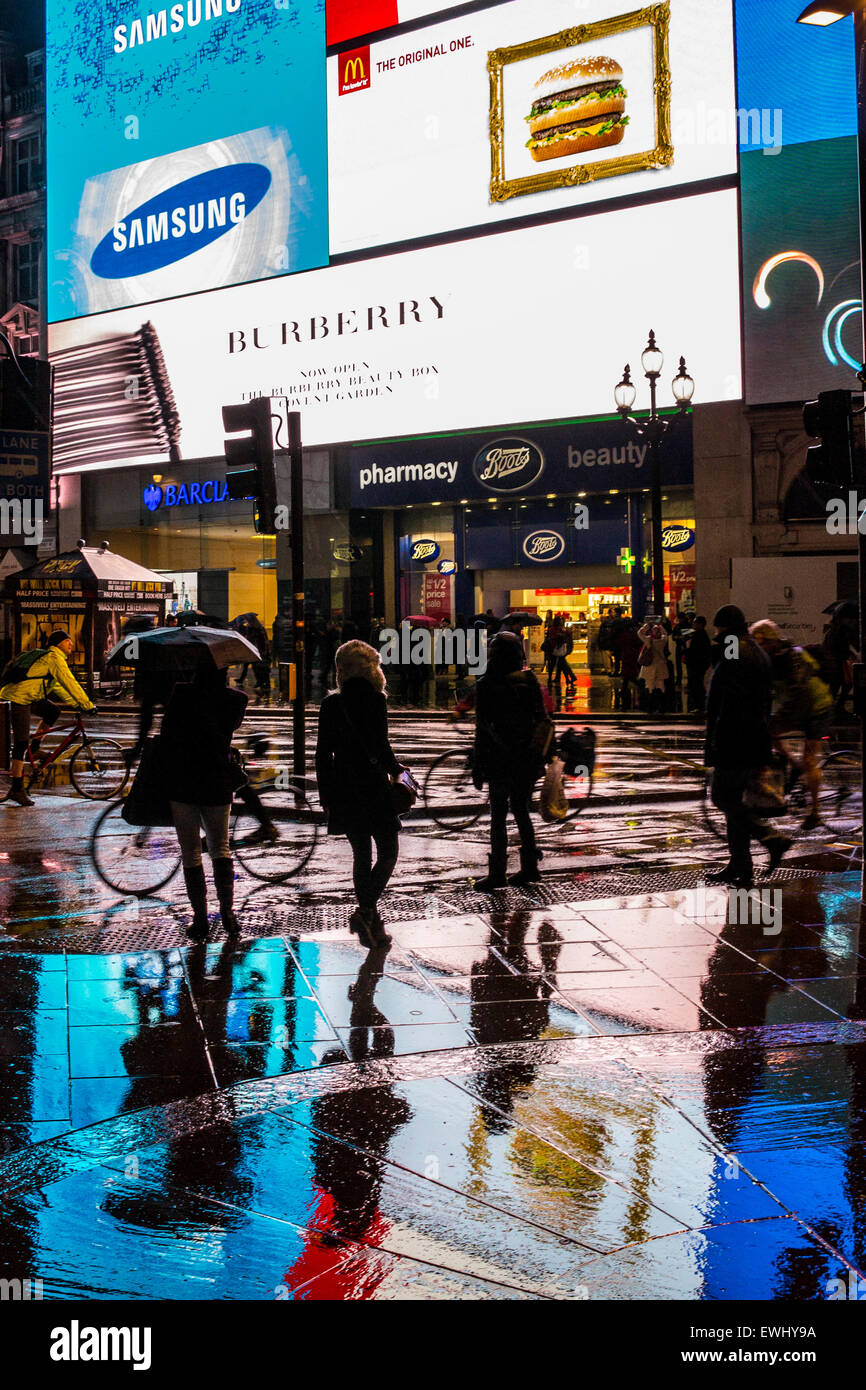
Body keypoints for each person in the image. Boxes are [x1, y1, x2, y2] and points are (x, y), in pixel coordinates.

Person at [315, 640, 402, 949]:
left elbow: (323, 755)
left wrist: (325, 797)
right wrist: (398, 771)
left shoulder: (331, 704)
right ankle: (366, 911)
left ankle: (368, 915)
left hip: (342, 789)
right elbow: (381, 746)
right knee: (388, 851)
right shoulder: (375, 700)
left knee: (362, 855)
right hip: (372, 786)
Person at [157, 664, 248, 939]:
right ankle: (228, 914)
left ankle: (200, 918)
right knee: (221, 847)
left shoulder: (181, 695)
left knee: (190, 851)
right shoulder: (236, 699)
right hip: (217, 780)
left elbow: (167, 733)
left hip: (183, 780)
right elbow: (230, 728)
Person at [705, 605, 791, 887]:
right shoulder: (757, 650)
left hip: (734, 739)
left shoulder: (732, 647)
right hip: (754, 737)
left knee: (723, 798)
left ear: (723, 628)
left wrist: (716, 740)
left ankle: (772, 839)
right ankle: (740, 865)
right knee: (735, 802)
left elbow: (725, 696)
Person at [472, 631, 549, 890]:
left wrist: (477, 764)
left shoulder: (486, 684)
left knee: (498, 815)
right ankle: (529, 867)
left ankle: (497, 873)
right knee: (521, 810)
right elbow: (542, 719)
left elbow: (482, 728)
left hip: (499, 759)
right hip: (525, 758)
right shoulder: (528, 680)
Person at [749, 619, 833, 830]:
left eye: (761, 643)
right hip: (797, 707)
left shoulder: (792, 657)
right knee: (769, 734)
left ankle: (814, 812)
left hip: (817, 707)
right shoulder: (769, 659)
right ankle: (793, 766)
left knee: (808, 759)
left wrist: (780, 719)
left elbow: (799, 692)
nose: (759, 648)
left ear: (771, 641)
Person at [0, 630, 96, 807]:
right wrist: (87, 705)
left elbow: (60, 687)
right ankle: (17, 788)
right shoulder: (54, 658)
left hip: (30, 695)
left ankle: (34, 748)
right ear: (59, 643)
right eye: (68, 641)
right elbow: (70, 682)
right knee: (21, 742)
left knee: (52, 711)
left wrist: (78, 704)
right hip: (17, 697)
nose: (71, 644)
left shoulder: (51, 660)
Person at [636, 618, 670, 714]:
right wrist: (660, 625)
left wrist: (647, 625)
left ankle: (650, 706)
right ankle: (661, 706)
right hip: (661, 665)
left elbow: (639, 633)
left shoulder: (648, 640)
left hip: (649, 666)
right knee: (661, 685)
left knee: (649, 685)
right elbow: (666, 634)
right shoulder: (663, 640)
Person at [684, 615, 712, 714]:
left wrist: (687, 650)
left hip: (696, 664)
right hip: (697, 664)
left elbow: (695, 651)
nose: (693, 624)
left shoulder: (699, 635)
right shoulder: (698, 634)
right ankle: (700, 705)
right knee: (696, 684)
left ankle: (699, 706)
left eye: (695, 622)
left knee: (696, 685)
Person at [615, 619, 643, 712]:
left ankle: (626, 689)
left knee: (627, 674)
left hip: (626, 655)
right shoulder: (633, 634)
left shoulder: (623, 634)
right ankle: (627, 688)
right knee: (630, 673)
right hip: (632, 655)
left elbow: (619, 643)